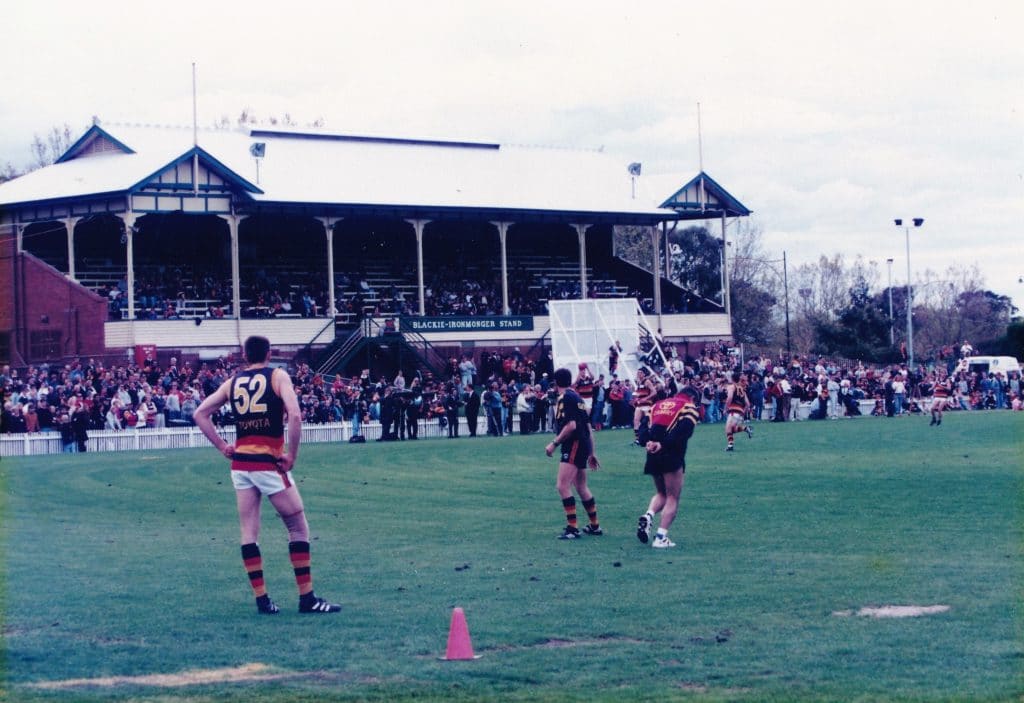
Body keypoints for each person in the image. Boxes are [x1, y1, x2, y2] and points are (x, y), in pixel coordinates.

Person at [193, 335, 340, 615]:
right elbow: (295, 415)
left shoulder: (232, 382)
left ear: (245, 355)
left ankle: (262, 600)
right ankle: (307, 598)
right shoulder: (278, 376)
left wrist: (223, 445)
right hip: (267, 461)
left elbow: (201, 413)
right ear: (269, 353)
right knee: (298, 527)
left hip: (241, 465)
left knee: (249, 532)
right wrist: (292, 455)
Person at [636, 385, 701, 549]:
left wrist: (647, 441)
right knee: (673, 497)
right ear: (692, 398)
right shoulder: (689, 407)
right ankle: (660, 537)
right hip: (671, 454)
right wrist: (662, 444)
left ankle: (649, 515)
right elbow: (684, 432)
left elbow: (643, 425)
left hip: (652, 453)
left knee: (661, 493)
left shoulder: (657, 405)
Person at [545, 368, 602, 539]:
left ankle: (572, 528)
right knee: (581, 486)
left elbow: (571, 426)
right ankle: (594, 526)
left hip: (573, 444)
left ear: (555, 383)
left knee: (562, 485)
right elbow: (587, 427)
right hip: (582, 443)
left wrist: (554, 444)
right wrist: (592, 452)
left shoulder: (565, 398)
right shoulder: (578, 397)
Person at [723, 371, 753, 451]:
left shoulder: (731, 387)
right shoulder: (742, 389)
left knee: (728, 429)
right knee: (730, 429)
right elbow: (748, 404)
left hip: (733, 410)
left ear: (732, 379)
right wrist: (743, 412)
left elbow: (729, 398)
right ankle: (745, 429)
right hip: (740, 411)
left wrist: (726, 408)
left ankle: (730, 445)